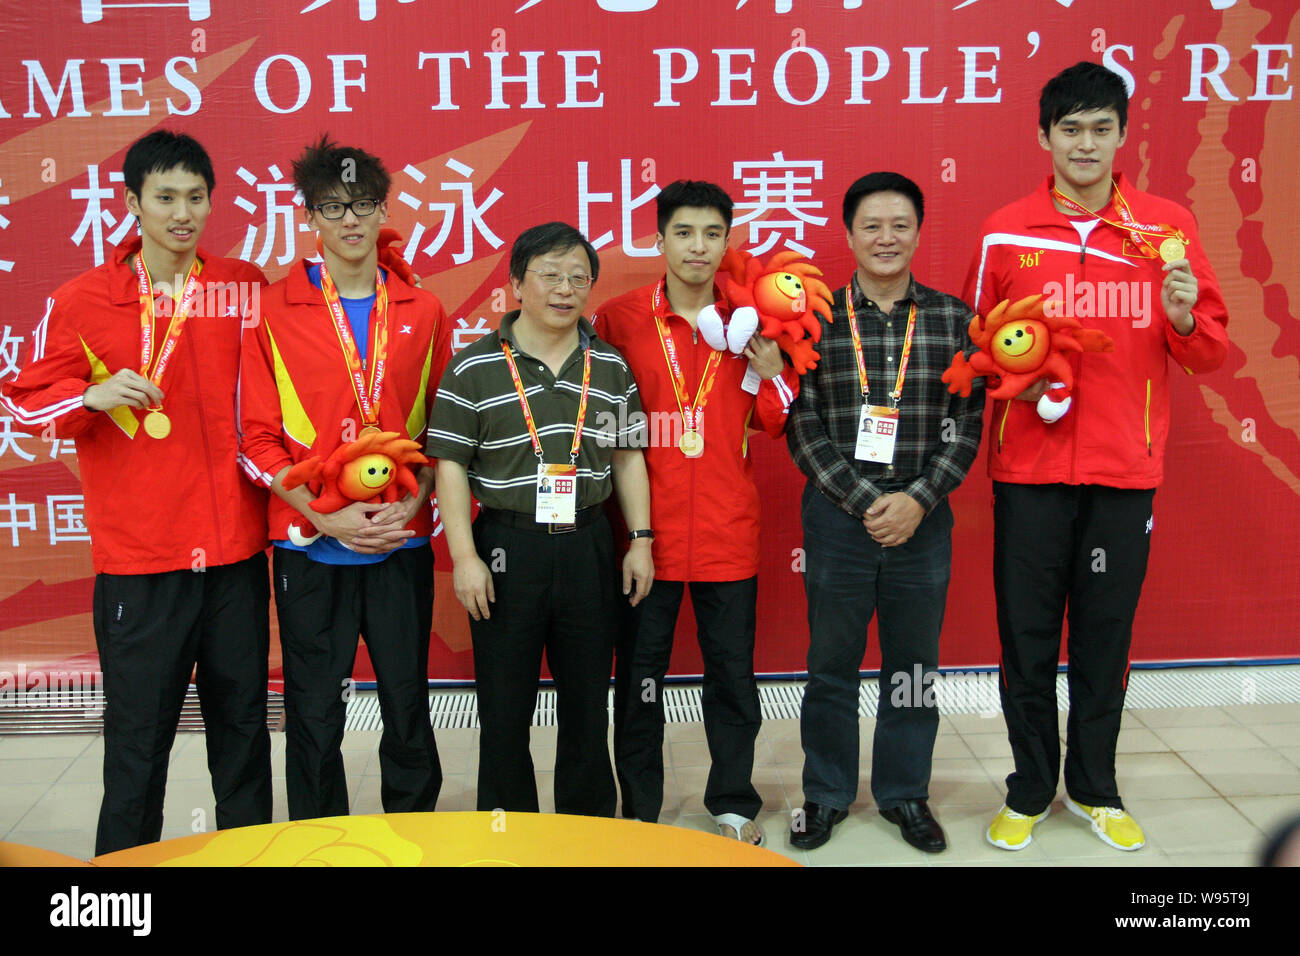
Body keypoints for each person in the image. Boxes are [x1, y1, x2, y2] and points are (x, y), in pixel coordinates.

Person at [964, 61, 1229, 852]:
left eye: (1101, 129)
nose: (1086, 143)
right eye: (1070, 128)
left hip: (1122, 473)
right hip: (1029, 475)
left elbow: (1210, 351)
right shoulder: (1004, 230)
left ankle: (1095, 788)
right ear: (1044, 135)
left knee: (1106, 639)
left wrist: (1182, 319)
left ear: (1122, 136)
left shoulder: (1165, 229)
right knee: (1027, 639)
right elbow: (980, 350)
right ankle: (1029, 788)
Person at [1, 130, 272, 855]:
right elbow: (21, 400)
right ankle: (122, 886)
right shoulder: (83, 299)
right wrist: (89, 395)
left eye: (195, 197)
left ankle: (248, 860)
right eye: (164, 198)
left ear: (212, 201)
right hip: (141, 564)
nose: (182, 214)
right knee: (137, 744)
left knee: (244, 732)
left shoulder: (243, 288)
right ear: (133, 204)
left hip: (235, 556)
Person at [239, 136, 451, 820]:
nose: (351, 221)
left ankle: (416, 835)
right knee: (313, 712)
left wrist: (411, 506)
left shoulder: (423, 311)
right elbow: (257, 439)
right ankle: (315, 841)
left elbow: (442, 438)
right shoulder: (274, 309)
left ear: (384, 207)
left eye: (362, 204)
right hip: (310, 549)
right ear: (311, 216)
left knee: (407, 705)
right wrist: (321, 516)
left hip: (401, 545)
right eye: (334, 207)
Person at [591, 180, 799, 845]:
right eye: (683, 232)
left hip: (726, 533)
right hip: (642, 539)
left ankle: (733, 804)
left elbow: (777, 422)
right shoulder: (620, 319)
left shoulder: (751, 322)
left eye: (713, 233)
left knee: (732, 677)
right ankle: (641, 812)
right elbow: (605, 424)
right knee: (640, 682)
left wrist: (769, 370)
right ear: (659, 239)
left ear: (729, 240)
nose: (698, 247)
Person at [786, 172, 984, 852]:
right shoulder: (813, 319)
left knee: (912, 669)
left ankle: (904, 795)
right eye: (872, 225)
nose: (886, 238)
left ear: (919, 232)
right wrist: (870, 502)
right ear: (848, 234)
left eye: (900, 224)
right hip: (839, 520)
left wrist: (919, 499)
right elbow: (802, 427)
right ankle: (827, 794)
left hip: (923, 524)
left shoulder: (956, 320)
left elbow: (968, 426)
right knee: (830, 665)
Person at [429, 222, 654, 817]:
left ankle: (586, 831)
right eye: (549, 275)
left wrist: (639, 540)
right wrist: (464, 558)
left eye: (579, 278)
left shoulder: (609, 365)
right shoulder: (472, 367)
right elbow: (449, 466)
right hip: (506, 547)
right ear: (515, 284)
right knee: (503, 707)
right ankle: (510, 835)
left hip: (588, 544)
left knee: (587, 702)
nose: (565, 289)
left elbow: (629, 458)